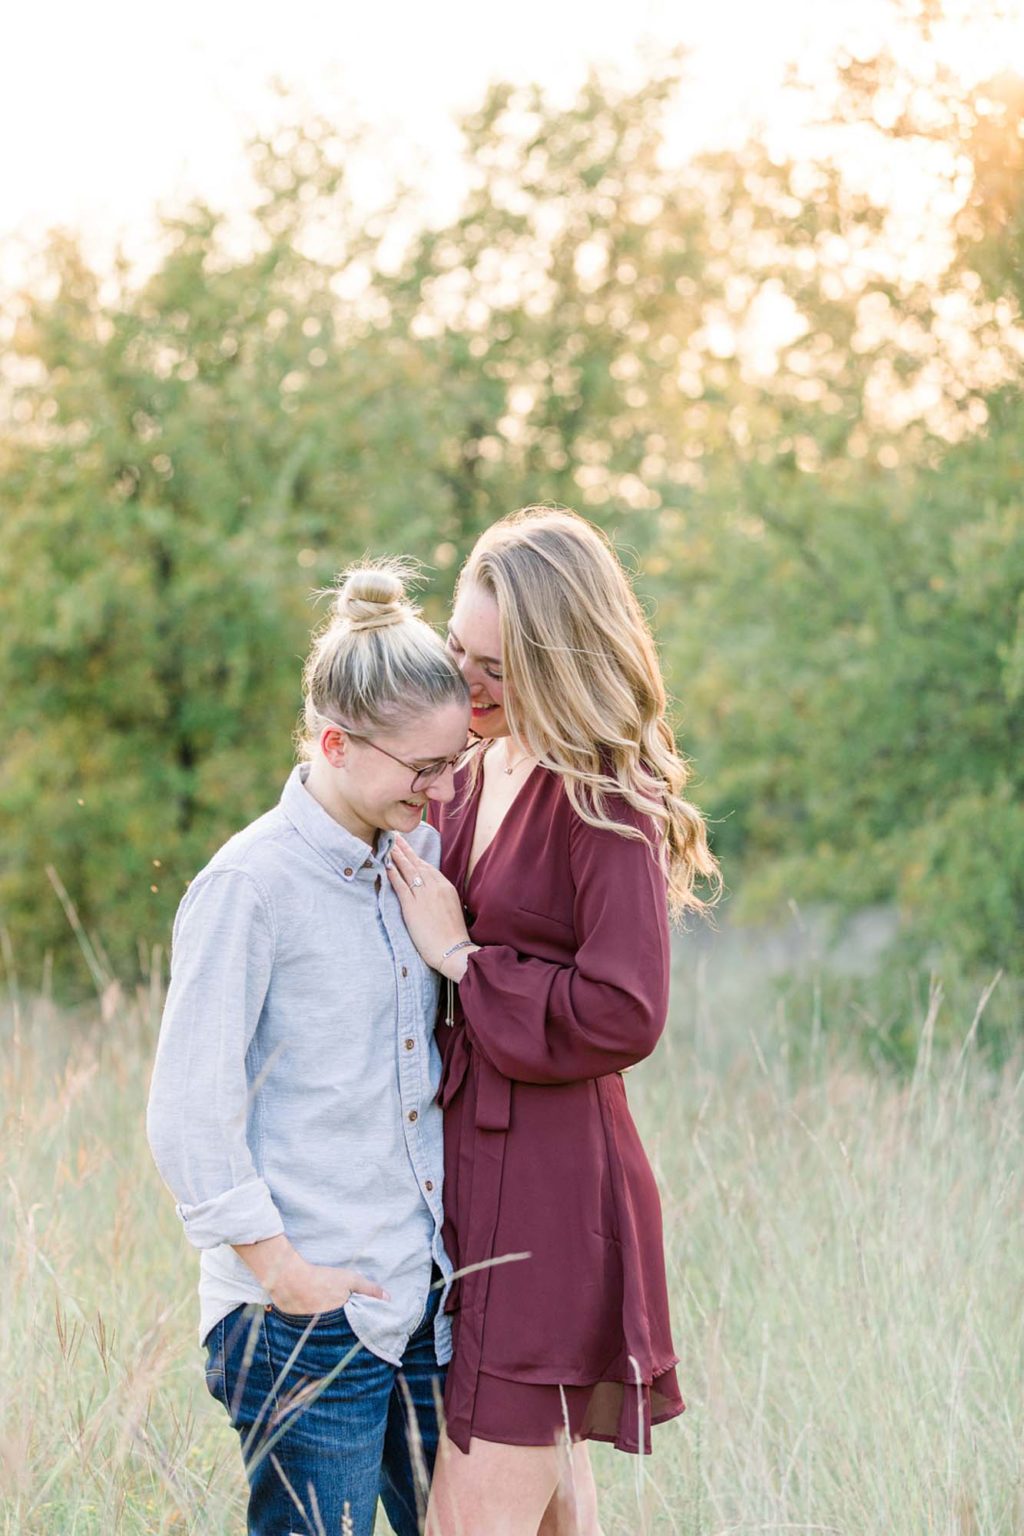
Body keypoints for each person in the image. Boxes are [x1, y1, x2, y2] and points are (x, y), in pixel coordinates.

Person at [386, 507, 720, 1536]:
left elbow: (625, 1010)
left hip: (548, 1204)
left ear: (558, 661)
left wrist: (463, 961)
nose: (468, 685)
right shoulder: (463, 772)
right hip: (456, 1191)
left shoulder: (604, 799)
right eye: (458, 654)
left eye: (498, 666)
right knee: (544, 1520)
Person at [146, 563, 471, 1536]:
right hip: (302, 1322)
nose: (441, 787)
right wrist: (282, 1272)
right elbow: (187, 1112)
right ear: (334, 742)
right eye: (423, 769)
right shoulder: (249, 888)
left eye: (451, 762)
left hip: (419, 1311)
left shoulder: (419, 864)